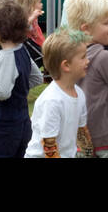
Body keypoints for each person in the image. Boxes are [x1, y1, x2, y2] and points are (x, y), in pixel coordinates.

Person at [62, 0, 108, 157]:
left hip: (80, 139)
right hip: (107, 138)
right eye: (107, 22)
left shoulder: (67, 57)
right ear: (86, 29)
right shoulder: (104, 57)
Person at [25, 29, 93, 158]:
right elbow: (49, 146)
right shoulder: (52, 101)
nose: (87, 61)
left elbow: (81, 131)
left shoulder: (79, 94)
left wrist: (88, 154)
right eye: (83, 57)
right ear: (66, 65)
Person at [0, 0, 32, 158]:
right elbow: (36, 77)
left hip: (3, 125)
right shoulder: (22, 50)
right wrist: (19, 86)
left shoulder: (5, 56)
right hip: (23, 120)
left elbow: (2, 93)